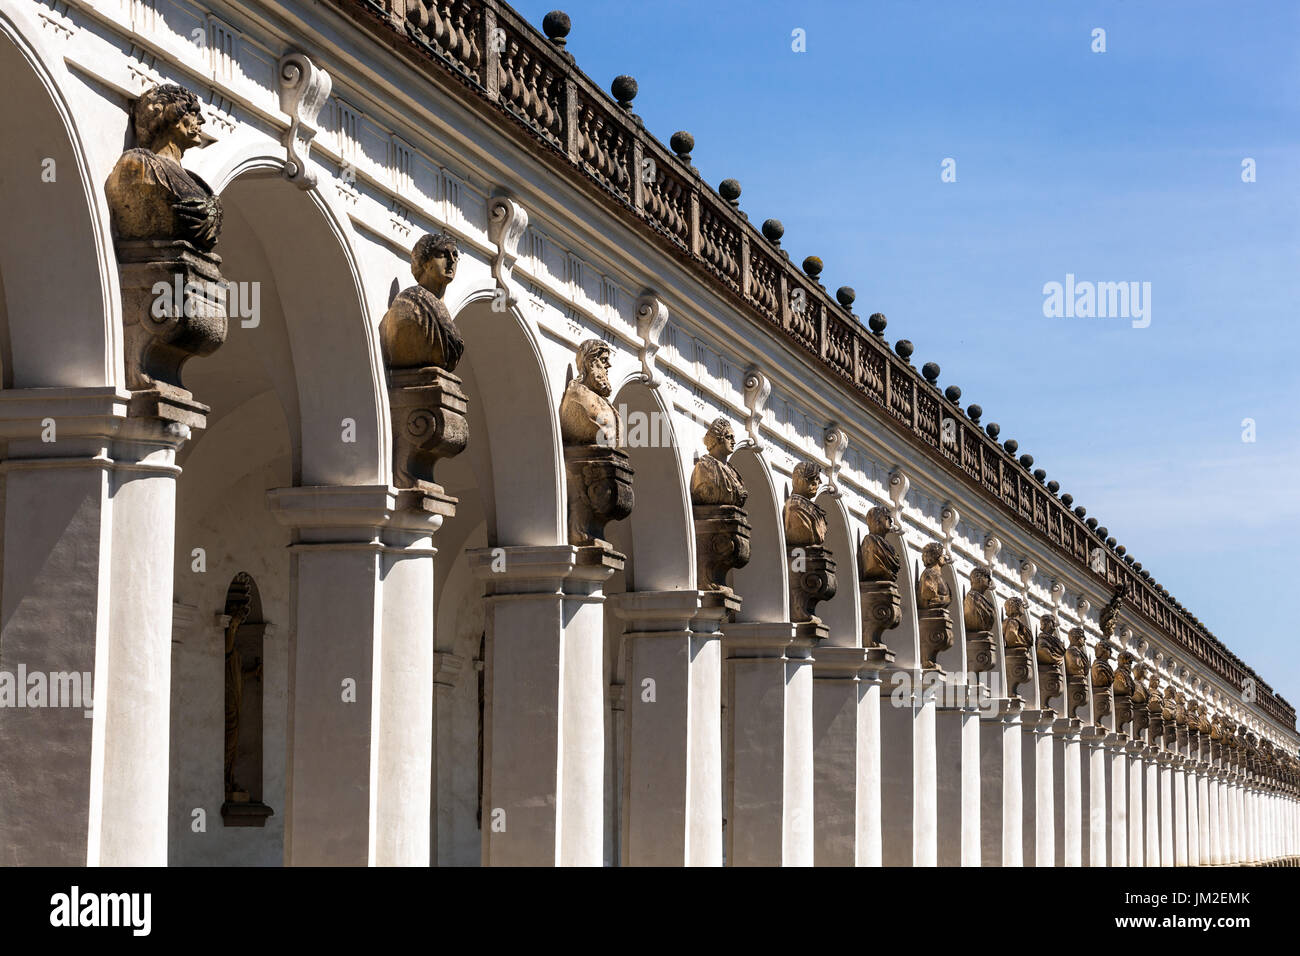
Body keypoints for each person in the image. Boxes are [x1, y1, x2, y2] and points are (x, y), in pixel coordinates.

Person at [105, 84, 223, 250]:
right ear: (171, 115)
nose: (202, 120)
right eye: (193, 112)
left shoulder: (199, 185)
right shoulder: (139, 165)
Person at [380, 232, 465, 372]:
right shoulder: (409, 302)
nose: (451, 260)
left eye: (455, 255)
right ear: (425, 263)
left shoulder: (444, 312)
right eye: (442, 254)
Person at [560, 339, 620, 447]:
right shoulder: (578, 394)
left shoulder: (601, 399)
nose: (608, 365)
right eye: (604, 360)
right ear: (591, 363)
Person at [690, 418, 747, 507]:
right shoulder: (706, 467)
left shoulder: (732, 470)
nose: (733, 442)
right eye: (728, 437)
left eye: (733, 438)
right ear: (717, 439)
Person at [783, 461, 827, 547]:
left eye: (818, 479)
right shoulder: (795, 506)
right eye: (814, 478)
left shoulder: (809, 507)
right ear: (798, 480)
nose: (817, 483)